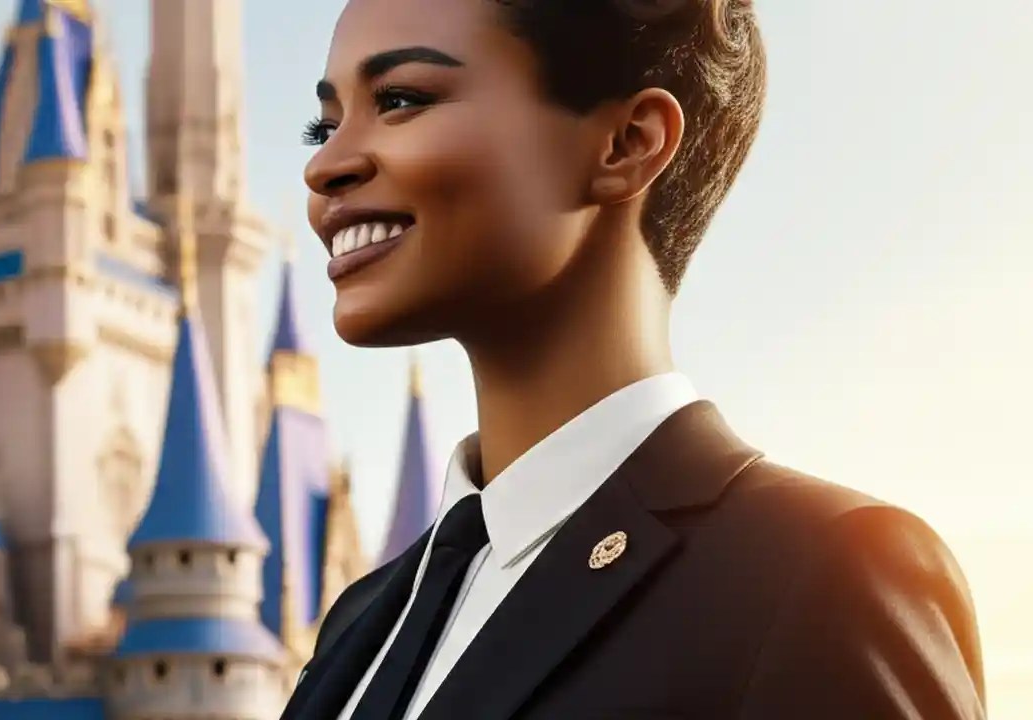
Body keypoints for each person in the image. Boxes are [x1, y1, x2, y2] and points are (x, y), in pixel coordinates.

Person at [283, 0, 987, 717]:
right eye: (326, 125)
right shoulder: (360, 624)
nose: (325, 165)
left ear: (627, 144)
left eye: (401, 100)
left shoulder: (821, 575)